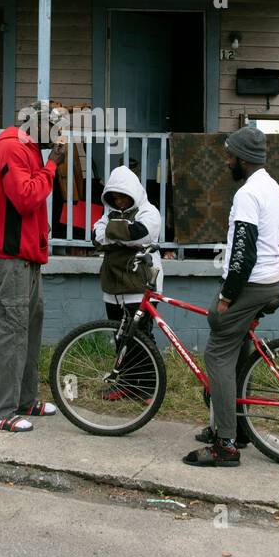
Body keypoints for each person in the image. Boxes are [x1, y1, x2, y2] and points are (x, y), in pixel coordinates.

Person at [184, 125, 279, 468]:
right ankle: (237, 427)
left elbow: (243, 251)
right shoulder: (273, 188)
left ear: (243, 159)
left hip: (250, 284)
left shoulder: (247, 194)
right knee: (237, 348)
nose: (226, 161)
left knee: (217, 352)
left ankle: (226, 445)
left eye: (230, 155)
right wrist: (275, 272)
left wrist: (228, 296)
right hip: (268, 281)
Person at [0, 100, 67, 432]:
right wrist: (52, 166)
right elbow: (26, 197)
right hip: (7, 256)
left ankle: (25, 399)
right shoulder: (12, 148)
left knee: (29, 326)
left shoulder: (29, 149)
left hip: (26, 255)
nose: (58, 137)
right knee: (9, 330)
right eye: (55, 129)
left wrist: (48, 164)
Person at [91, 166, 163, 400]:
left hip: (139, 286)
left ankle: (148, 387)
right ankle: (126, 383)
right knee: (120, 335)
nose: (119, 201)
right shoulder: (108, 213)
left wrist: (113, 235)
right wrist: (121, 235)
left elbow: (141, 233)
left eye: (124, 196)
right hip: (113, 286)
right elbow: (96, 237)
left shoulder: (149, 212)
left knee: (141, 337)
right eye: (115, 197)